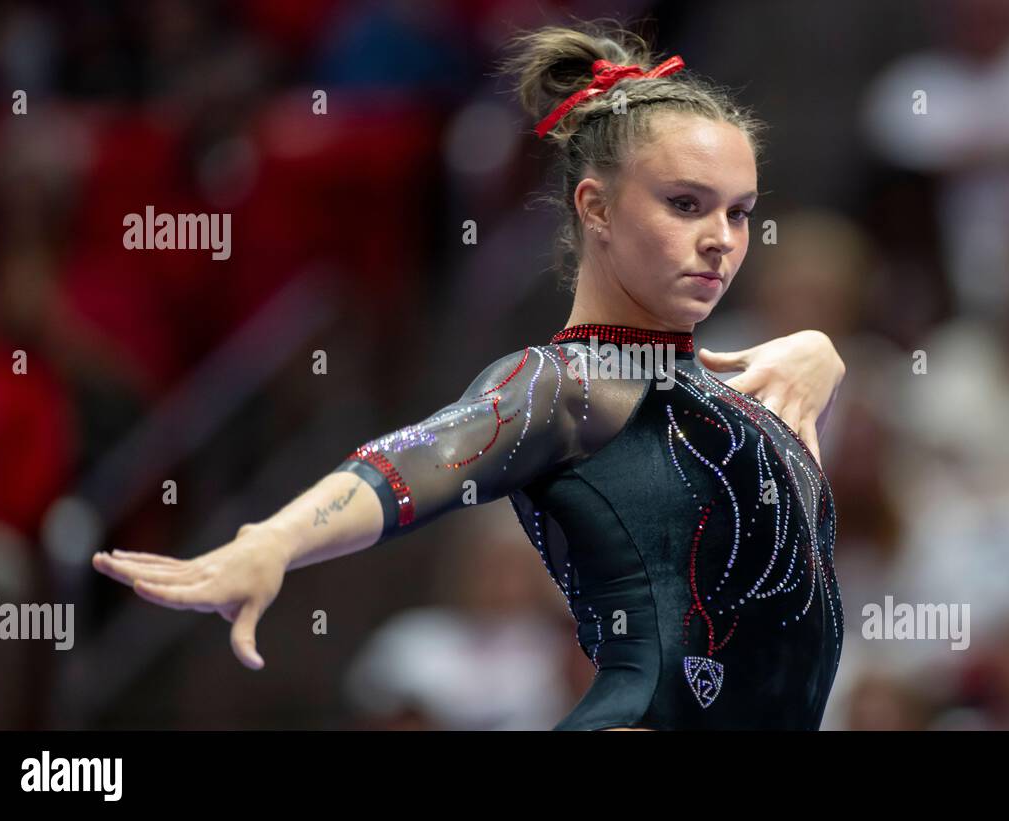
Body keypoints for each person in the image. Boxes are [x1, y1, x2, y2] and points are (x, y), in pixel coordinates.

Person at [94, 22, 847, 730]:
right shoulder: (570, 385)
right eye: (685, 204)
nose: (719, 239)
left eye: (740, 212)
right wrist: (277, 538)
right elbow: (415, 459)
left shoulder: (739, 390)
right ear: (598, 208)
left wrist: (821, 350)